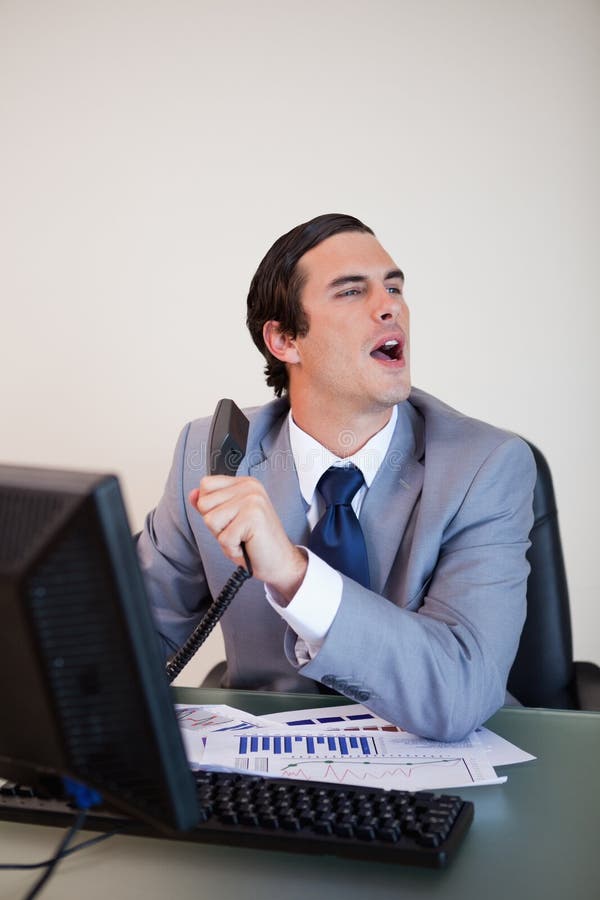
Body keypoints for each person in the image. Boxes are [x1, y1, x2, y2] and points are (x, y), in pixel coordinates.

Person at [137, 213, 536, 741]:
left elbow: (460, 691)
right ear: (283, 340)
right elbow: (125, 637)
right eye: (352, 292)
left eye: (393, 286)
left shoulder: (486, 465)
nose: (390, 305)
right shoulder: (209, 454)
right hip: (266, 769)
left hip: (439, 764)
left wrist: (295, 574)